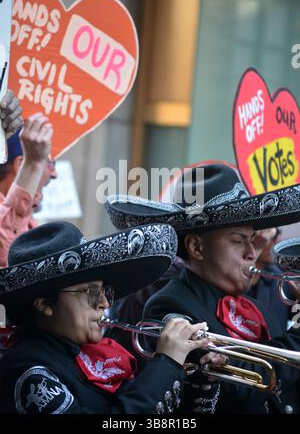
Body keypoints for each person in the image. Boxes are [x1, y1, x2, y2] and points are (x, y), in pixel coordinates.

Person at [105, 163, 300, 414]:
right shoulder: (171, 304)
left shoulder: (256, 307)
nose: (251, 253)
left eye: (252, 241)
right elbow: (241, 391)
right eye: (238, 241)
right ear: (197, 247)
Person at [0, 220, 224, 414]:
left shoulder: (86, 352)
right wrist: (166, 363)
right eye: (90, 292)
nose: (104, 303)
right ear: (45, 304)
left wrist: (201, 381)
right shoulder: (25, 369)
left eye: (105, 291)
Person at [0, 108, 57, 267]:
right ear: (20, 164)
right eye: (50, 162)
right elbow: (8, 256)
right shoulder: (14, 218)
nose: (55, 174)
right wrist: (33, 164)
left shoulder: (32, 222)